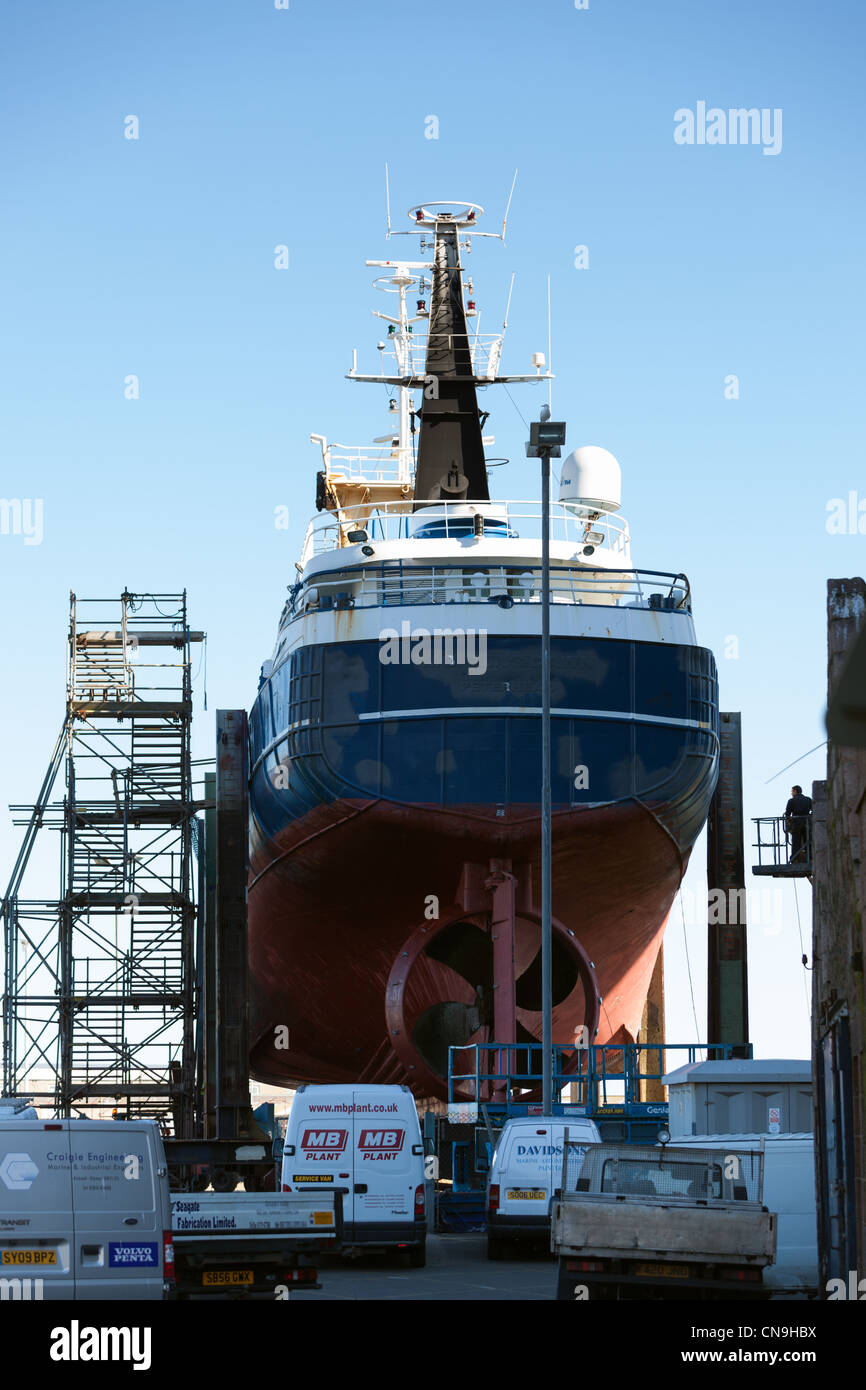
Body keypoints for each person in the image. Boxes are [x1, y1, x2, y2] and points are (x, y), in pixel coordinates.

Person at [785, 785, 813, 864]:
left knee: (796, 842)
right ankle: (810, 858)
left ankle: (794, 859)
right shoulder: (808, 800)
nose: (791, 793)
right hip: (807, 823)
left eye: (792, 791)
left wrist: (788, 822)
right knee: (807, 841)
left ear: (795, 791)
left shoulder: (791, 801)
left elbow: (787, 814)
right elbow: (814, 809)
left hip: (796, 823)